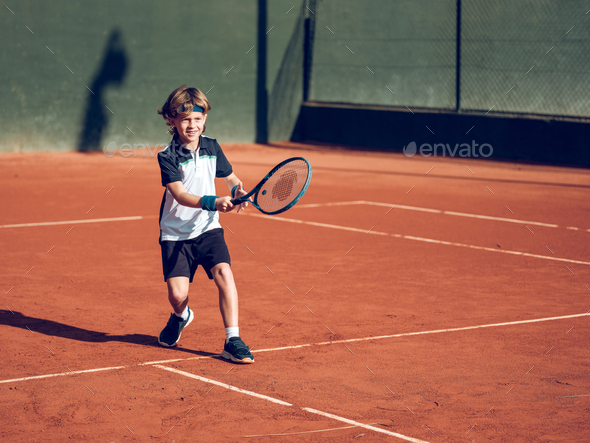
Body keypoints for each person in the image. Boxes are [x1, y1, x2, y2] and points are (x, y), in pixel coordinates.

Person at [155, 85, 254, 364]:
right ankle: (181, 316)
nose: (192, 125)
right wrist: (213, 201)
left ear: (205, 119)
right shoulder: (167, 156)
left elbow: (231, 178)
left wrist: (237, 191)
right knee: (177, 295)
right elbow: (180, 194)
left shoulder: (212, 146)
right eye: (185, 119)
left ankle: (232, 339)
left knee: (225, 273)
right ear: (172, 120)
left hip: (208, 229)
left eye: (198, 119)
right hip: (175, 234)